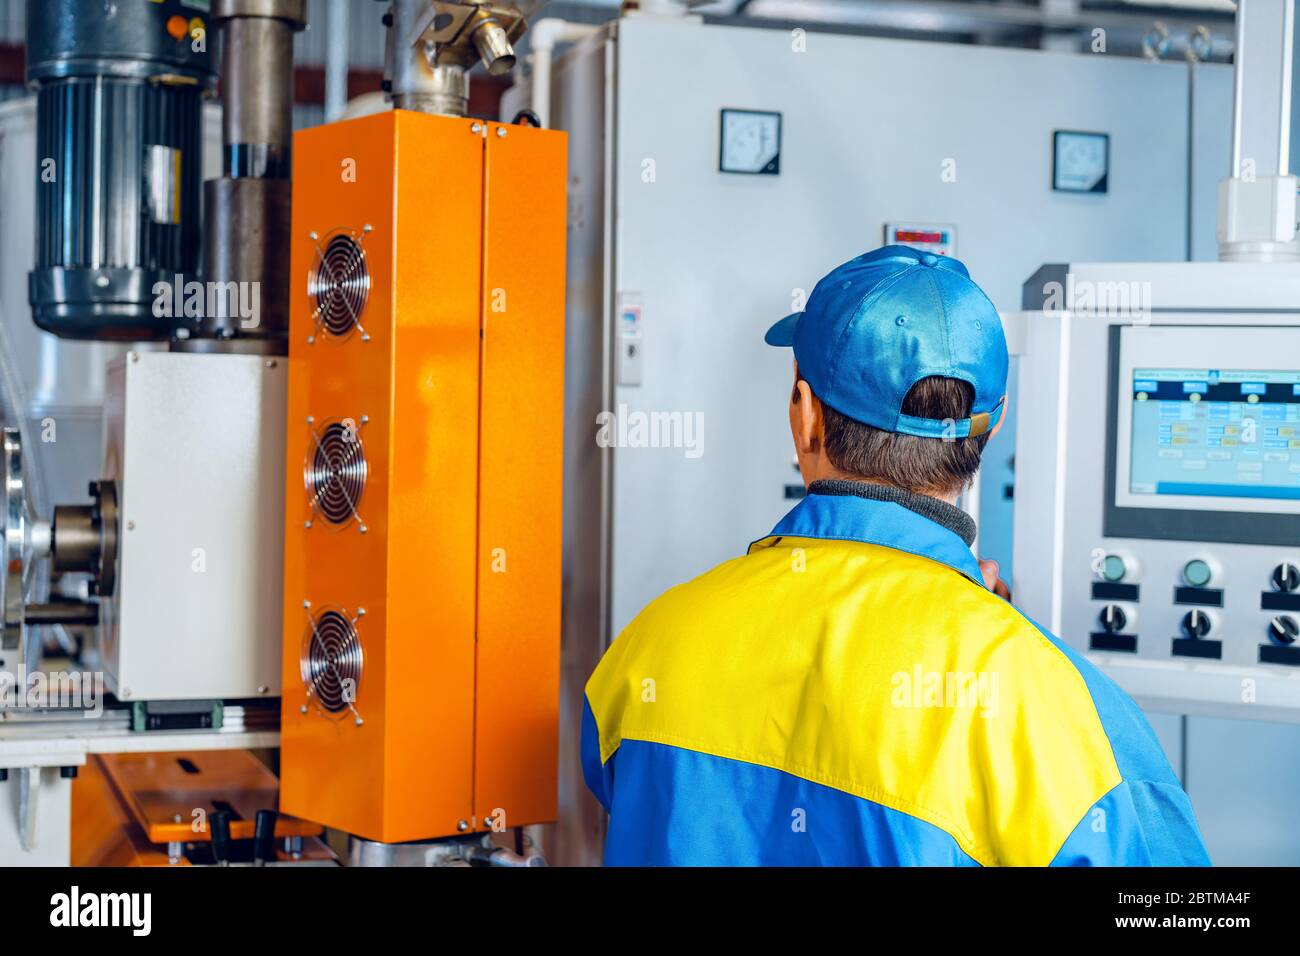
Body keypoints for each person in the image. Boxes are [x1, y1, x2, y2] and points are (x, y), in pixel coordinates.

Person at [580, 245, 1210, 866]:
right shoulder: (1058, 712)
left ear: (805, 417)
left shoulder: (652, 643)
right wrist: (991, 635)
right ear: (994, 425)